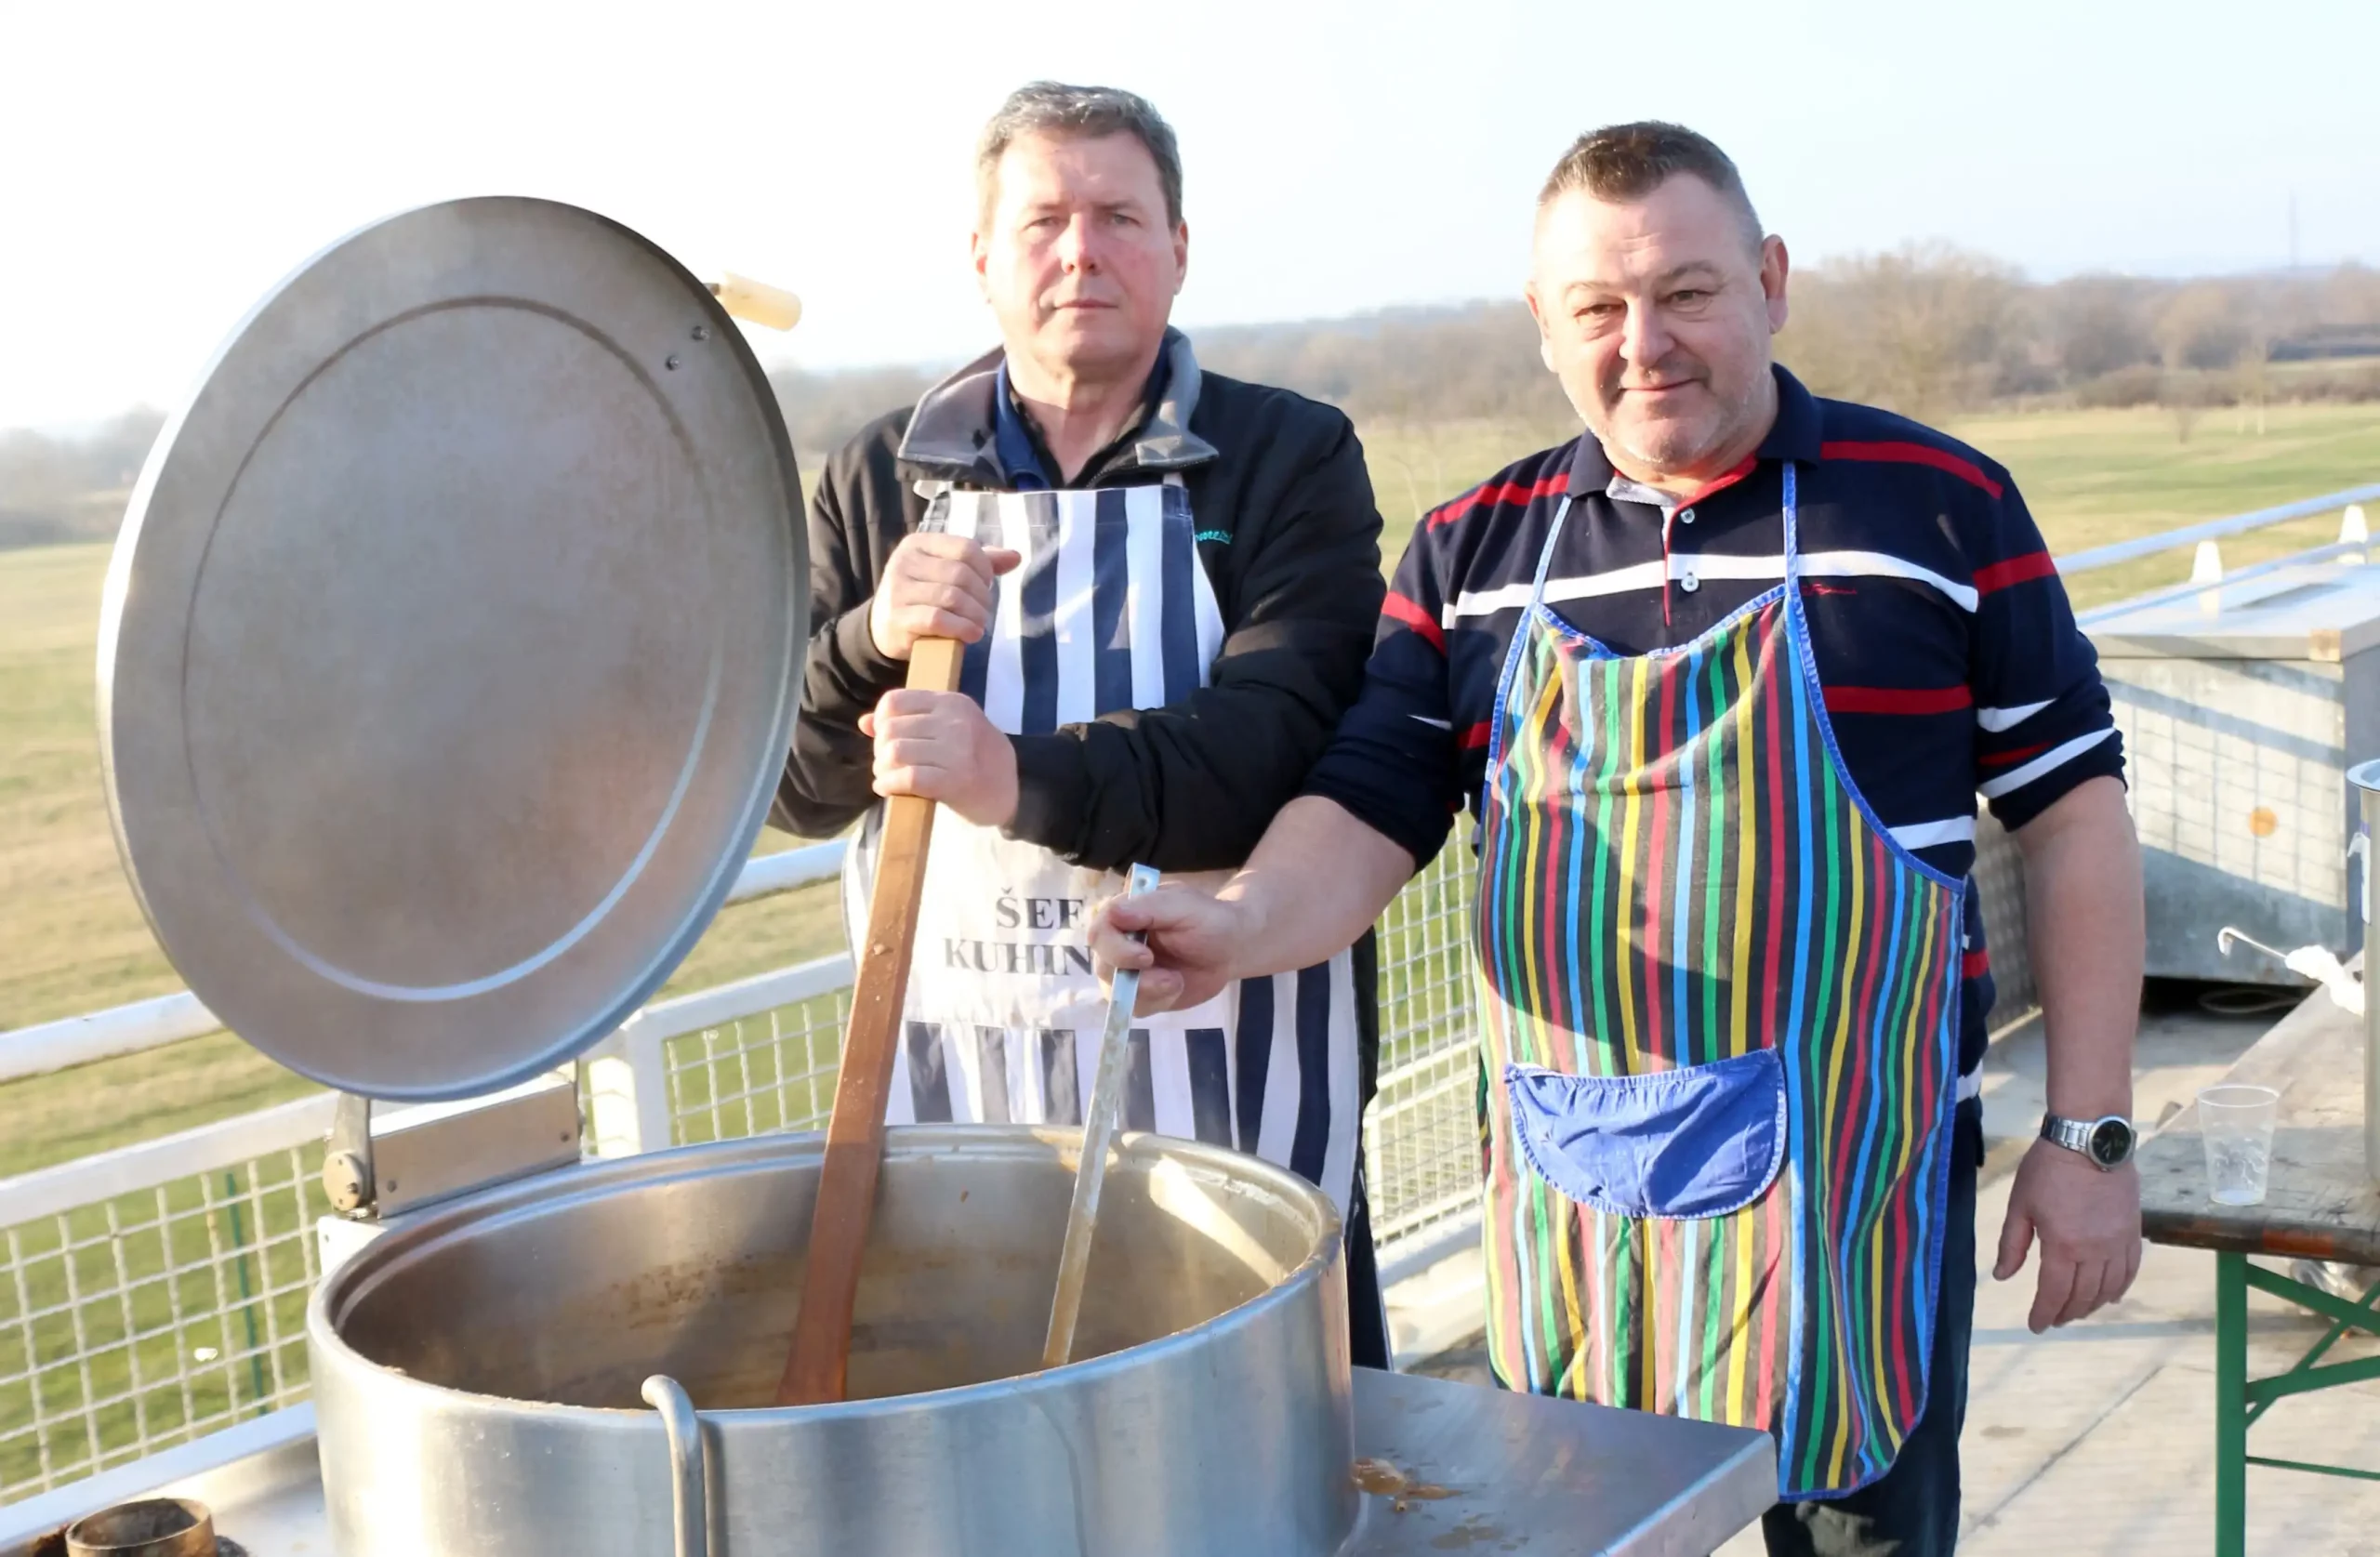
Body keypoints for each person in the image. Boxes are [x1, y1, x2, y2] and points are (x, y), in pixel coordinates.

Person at [1092, 123, 2145, 1554]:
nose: (1643, 343)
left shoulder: (1935, 510)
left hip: (1860, 1195)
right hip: (1579, 1200)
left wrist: (2086, 1135)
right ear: (1545, 326)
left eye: (1687, 291)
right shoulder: (1472, 552)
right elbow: (1370, 803)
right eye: (1597, 307)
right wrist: (1242, 921)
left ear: (1771, 282)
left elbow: (2076, 817)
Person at [773, 82, 1394, 1367]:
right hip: (963, 1088)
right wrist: (863, 643)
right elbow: (796, 783)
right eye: (1045, 217)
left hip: (1233, 1095)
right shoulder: (883, 472)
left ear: (1179, 246)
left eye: (1120, 214)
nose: (1081, 250)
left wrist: (1013, 779)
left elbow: (1273, 746)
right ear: (983, 256)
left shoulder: (1285, 455)